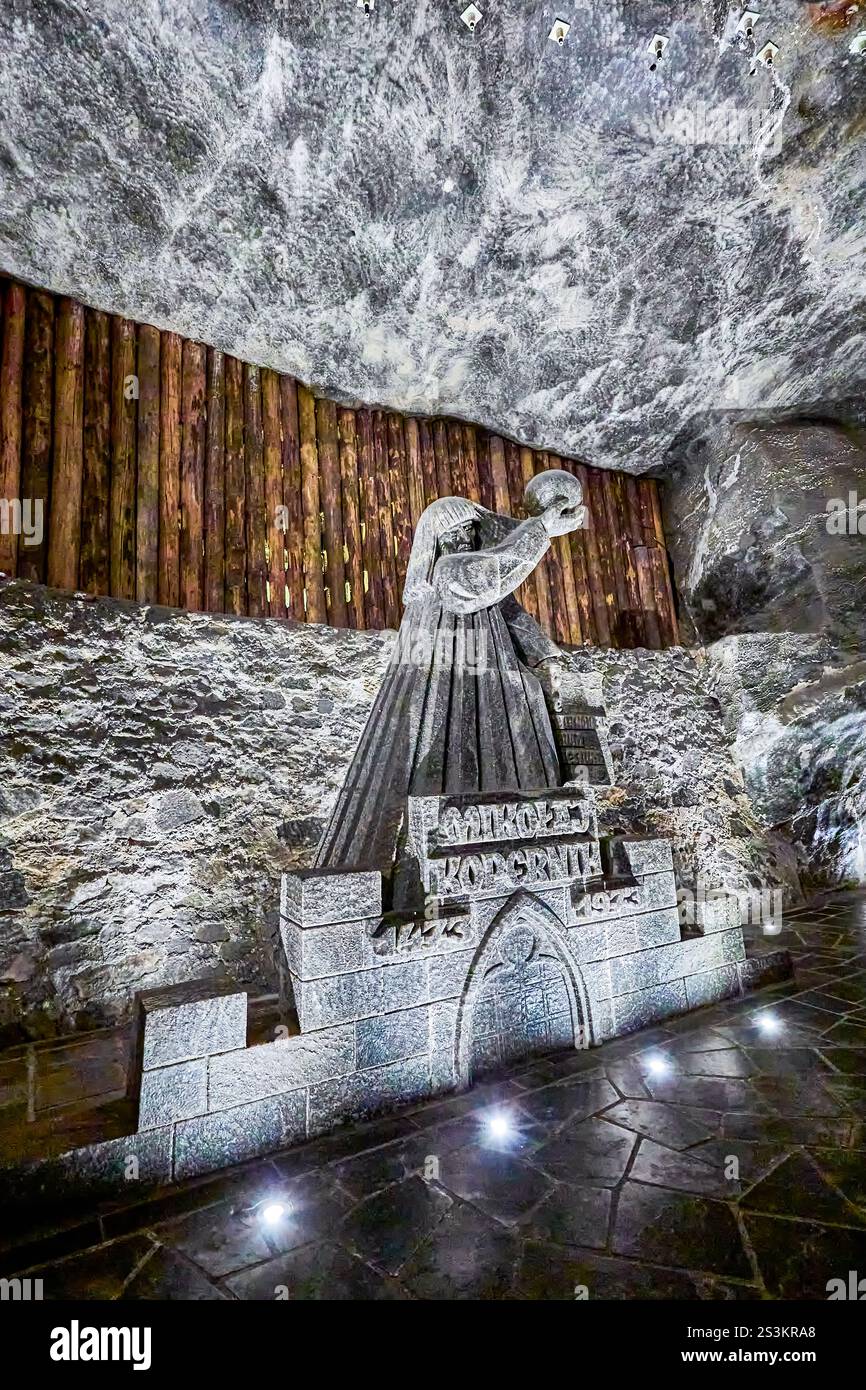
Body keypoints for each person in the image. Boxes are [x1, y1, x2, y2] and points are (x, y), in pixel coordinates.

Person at [314, 470, 586, 876]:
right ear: (442, 537)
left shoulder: (471, 572)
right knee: (455, 741)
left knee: (521, 712)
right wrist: (541, 528)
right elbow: (481, 580)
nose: (470, 540)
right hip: (453, 675)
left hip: (493, 673)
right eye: (463, 531)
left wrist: (546, 657)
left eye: (473, 531)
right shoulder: (449, 572)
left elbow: (508, 608)